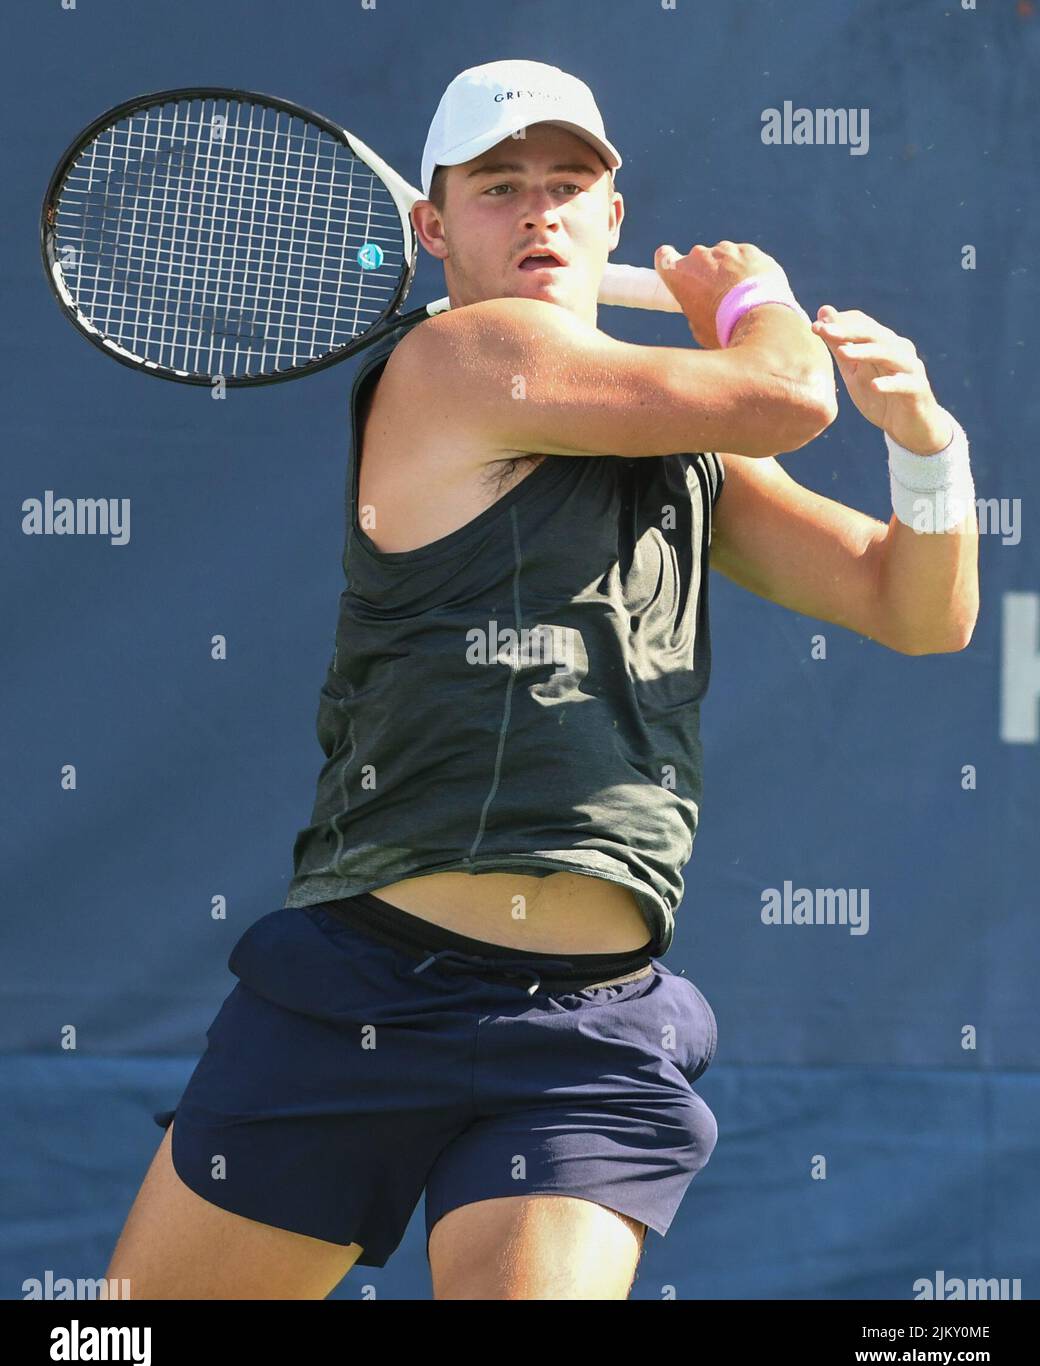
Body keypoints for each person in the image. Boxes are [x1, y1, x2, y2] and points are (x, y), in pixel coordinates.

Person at [105, 59, 978, 1300]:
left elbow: (916, 608)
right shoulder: (464, 357)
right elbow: (783, 393)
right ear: (432, 227)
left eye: (569, 187)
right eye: (499, 186)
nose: (539, 214)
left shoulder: (683, 450)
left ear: (612, 220)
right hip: (363, 990)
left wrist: (928, 449)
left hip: (585, 1030)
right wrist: (755, 300)